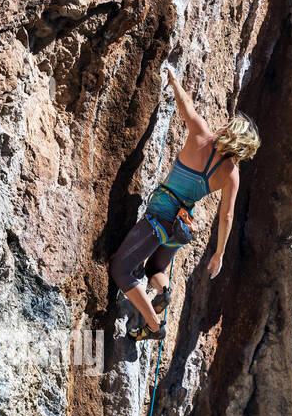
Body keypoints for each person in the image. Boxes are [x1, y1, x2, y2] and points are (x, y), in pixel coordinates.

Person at [109, 69, 260, 339]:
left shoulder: (201, 135)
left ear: (228, 130)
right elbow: (226, 217)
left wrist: (174, 81)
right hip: (180, 226)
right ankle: (163, 290)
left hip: (160, 217)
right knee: (154, 269)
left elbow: (185, 105)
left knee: (120, 269)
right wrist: (219, 254)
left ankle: (154, 325)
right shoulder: (231, 175)